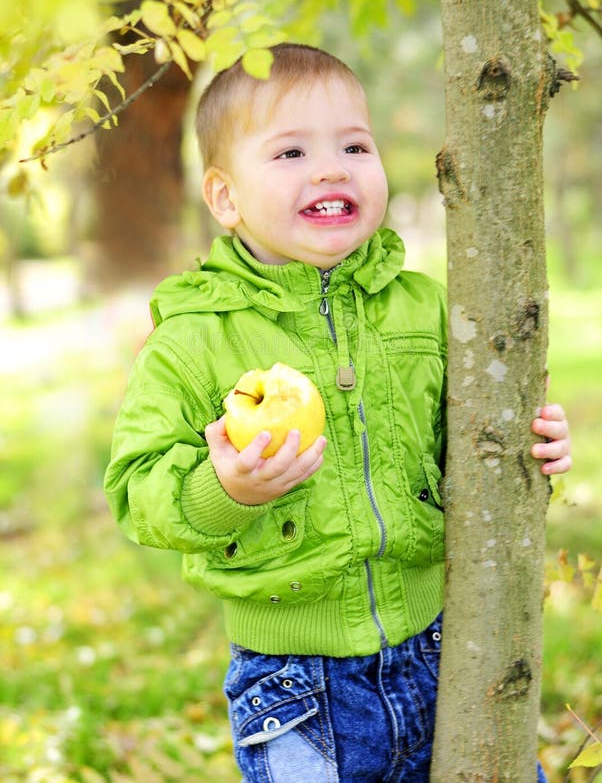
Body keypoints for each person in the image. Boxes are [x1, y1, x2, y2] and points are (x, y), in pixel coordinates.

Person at [104, 43, 572, 781]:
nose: (330, 168)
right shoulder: (194, 336)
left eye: (355, 145)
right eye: (290, 152)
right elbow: (136, 492)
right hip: (297, 690)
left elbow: (469, 444)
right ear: (225, 198)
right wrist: (225, 490)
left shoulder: (423, 307)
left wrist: (533, 446)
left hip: (445, 651)